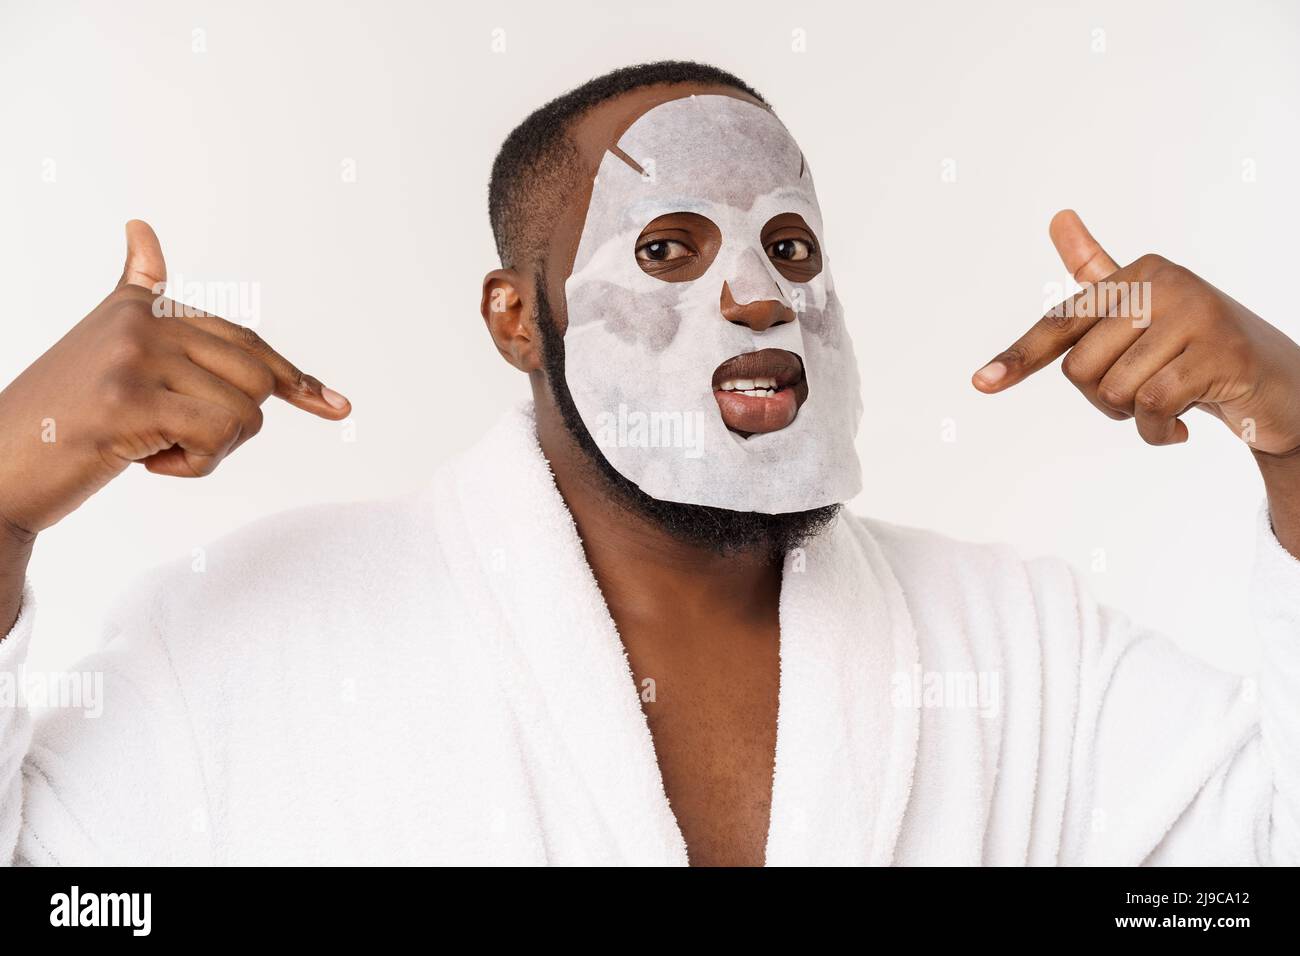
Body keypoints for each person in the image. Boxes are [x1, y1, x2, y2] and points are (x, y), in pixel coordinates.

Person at [1, 61, 1296, 867]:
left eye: (789, 247)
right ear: (518, 316)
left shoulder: (1021, 647)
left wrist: (1296, 437)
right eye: (670, 246)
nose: (757, 293)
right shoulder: (240, 640)